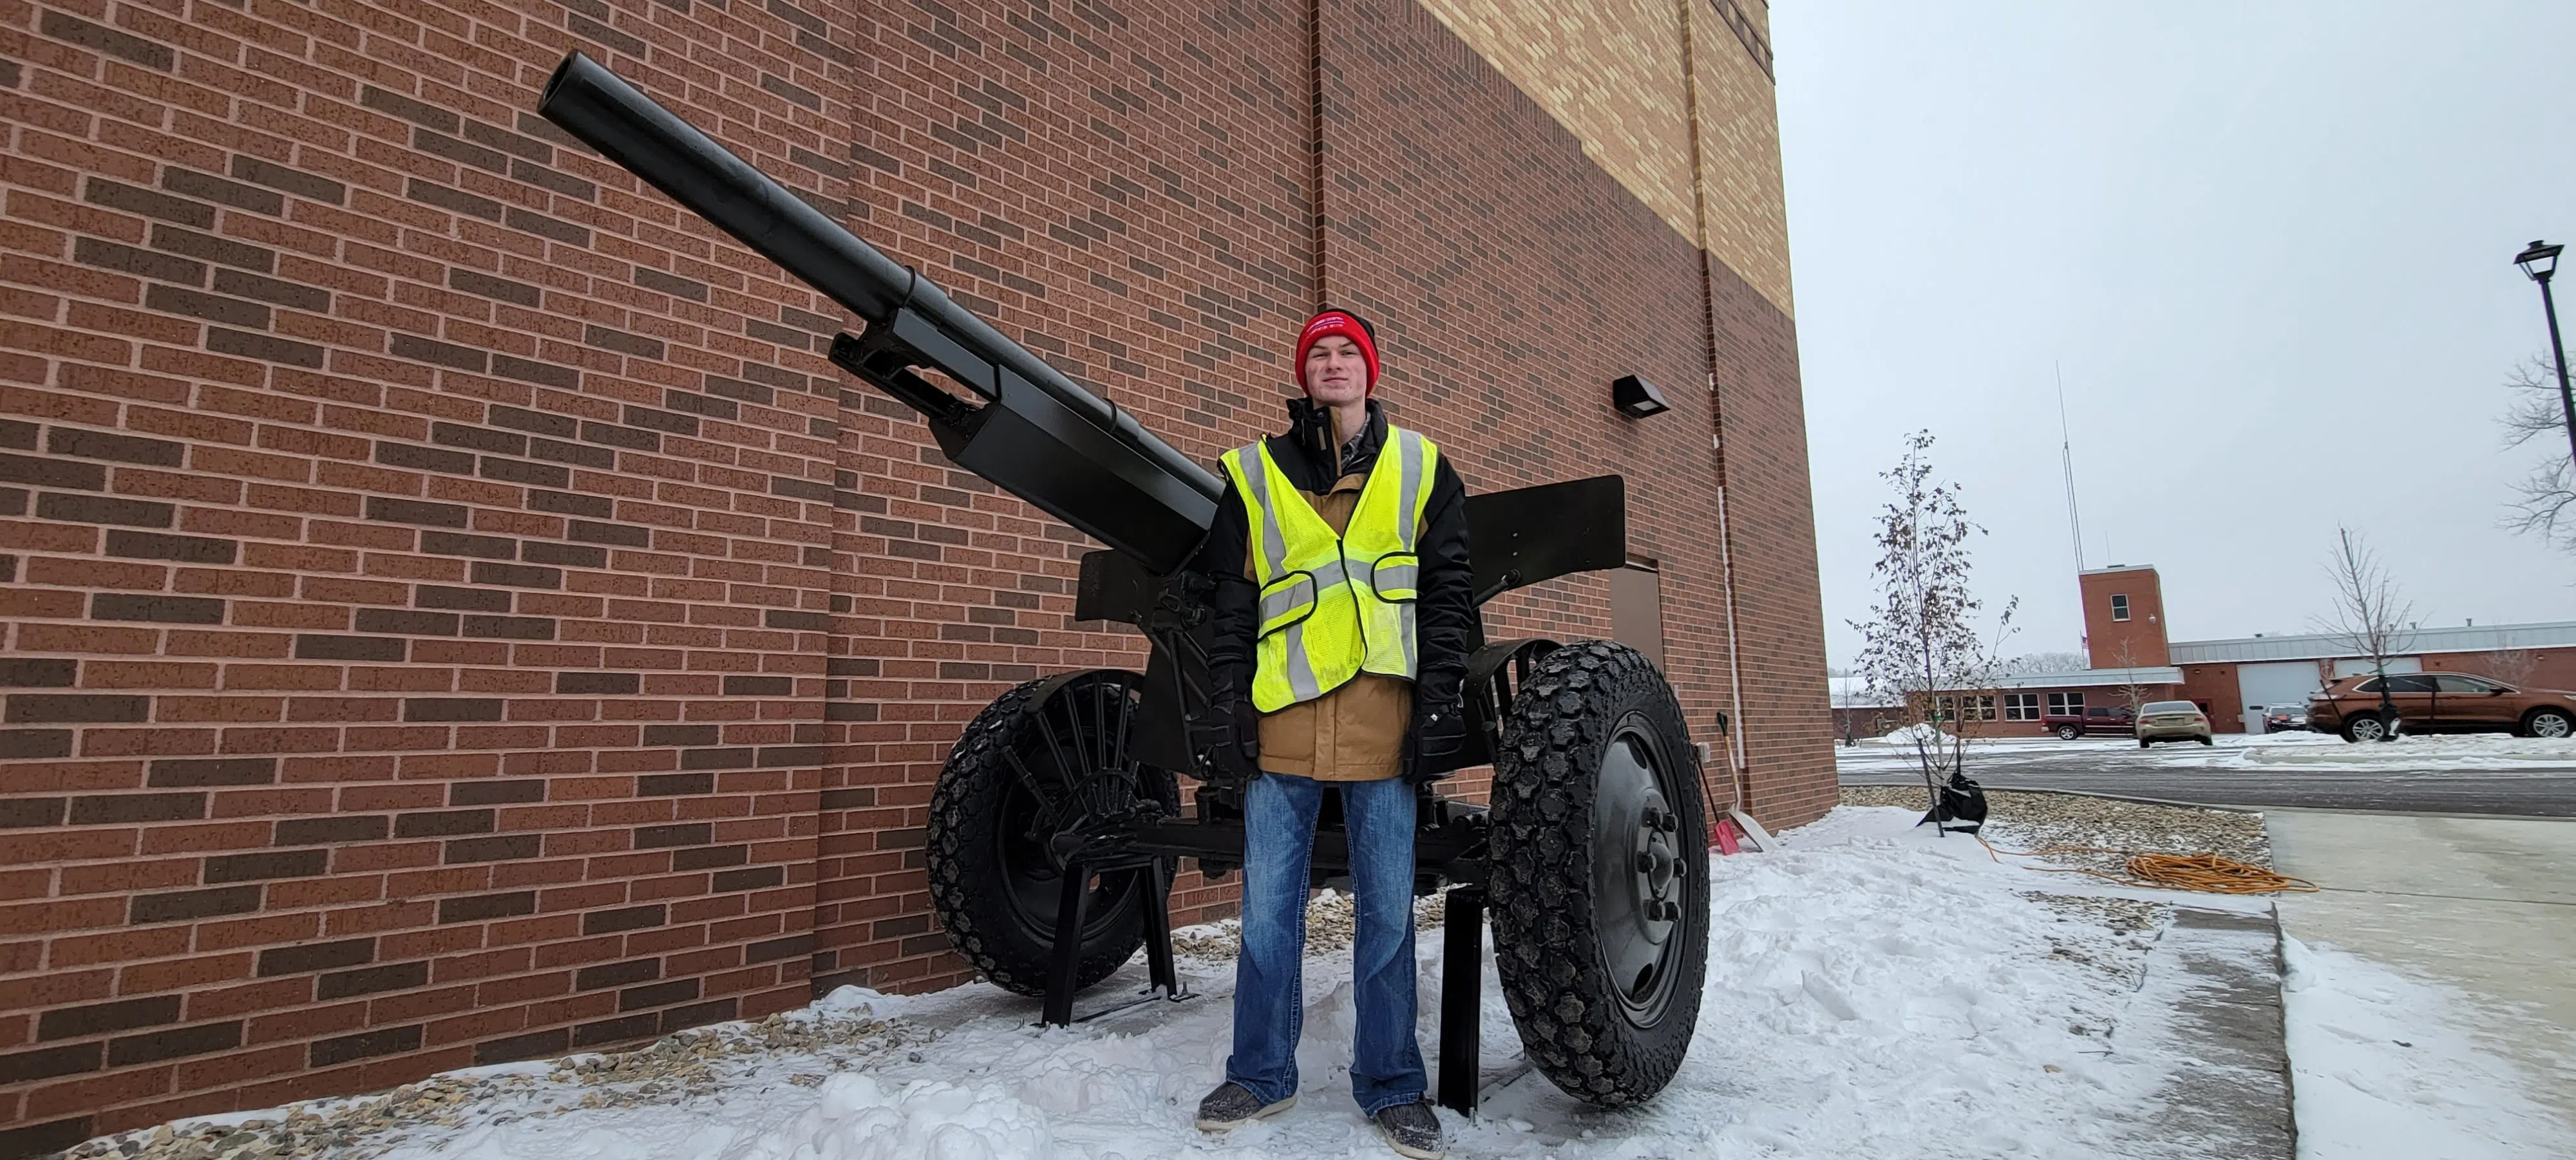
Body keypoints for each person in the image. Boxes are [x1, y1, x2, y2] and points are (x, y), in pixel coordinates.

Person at [1190, 308, 1474, 1160]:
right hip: (1282, 730)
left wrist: (1439, 702)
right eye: (1322, 353)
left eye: (1350, 351)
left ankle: (1391, 1084)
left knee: (1387, 918)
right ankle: (1260, 1072)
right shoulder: (1251, 475)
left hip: (1385, 733)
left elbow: (1449, 594)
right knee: (1266, 920)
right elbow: (1229, 607)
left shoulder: (1423, 468)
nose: (1336, 364)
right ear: (1304, 373)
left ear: (1372, 370)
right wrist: (1227, 704)